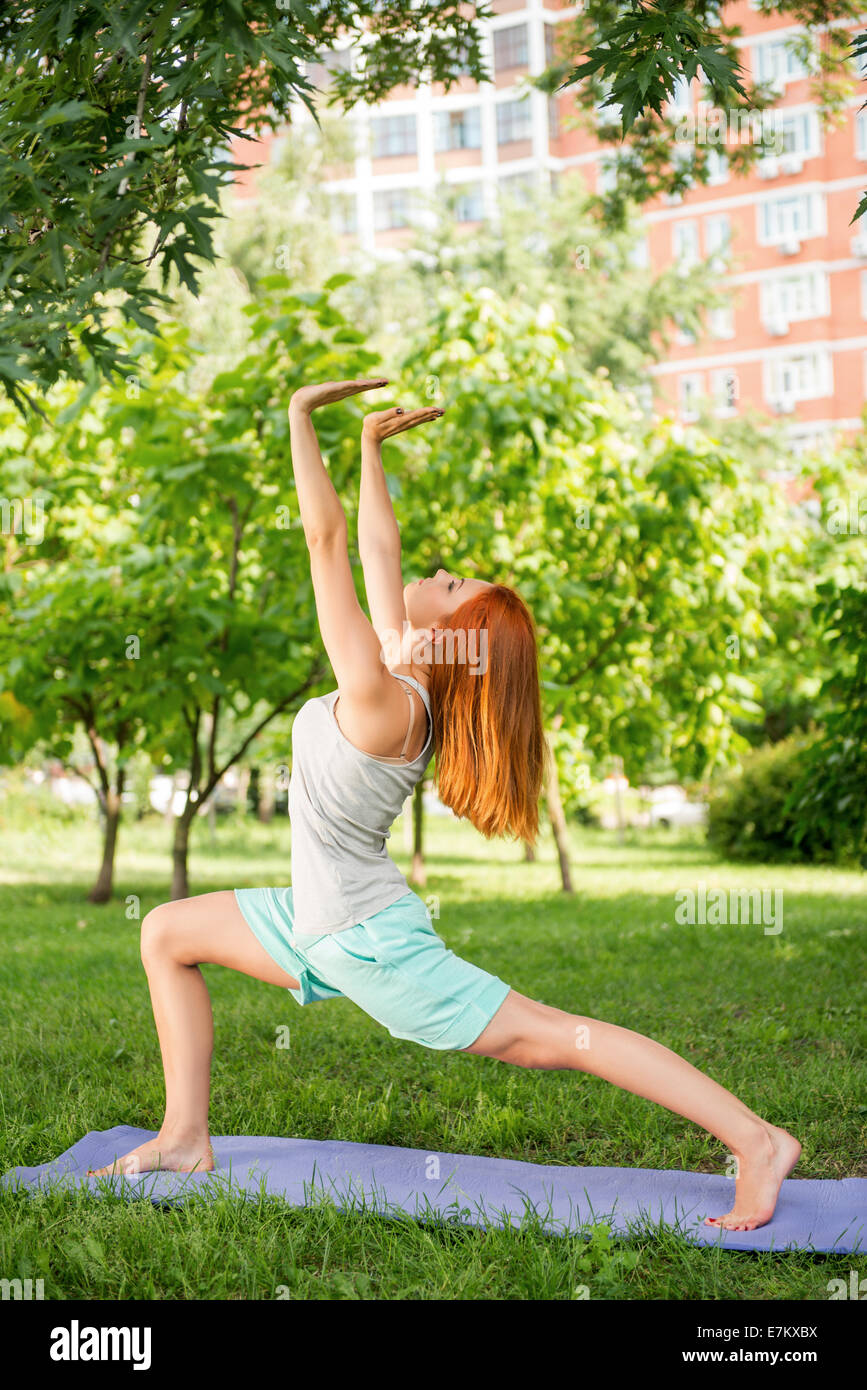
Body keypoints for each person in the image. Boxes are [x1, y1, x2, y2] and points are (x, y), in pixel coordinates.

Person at [89, 378, 800, 1233]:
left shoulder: (384, 699)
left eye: (452, 581)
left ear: (453, 636)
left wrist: (296, 419)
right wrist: (367, 450)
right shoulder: (400, 670)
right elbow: (377, 554)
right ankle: (184, 1136)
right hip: (319, 922)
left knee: (551, 1038)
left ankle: (755, 1141)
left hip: (367, 941)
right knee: (166, 931)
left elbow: (327, 544)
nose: (436, 569)